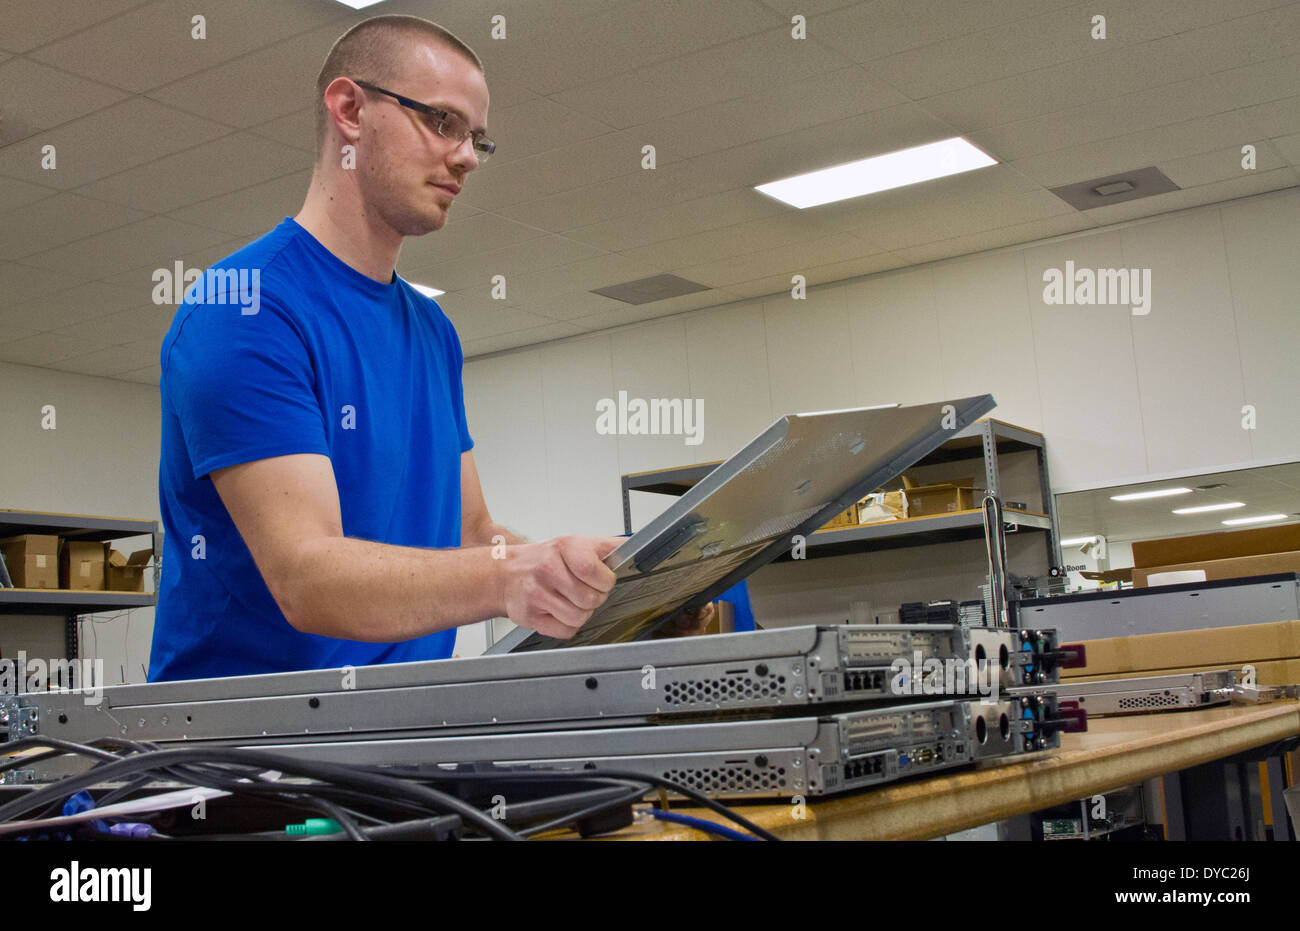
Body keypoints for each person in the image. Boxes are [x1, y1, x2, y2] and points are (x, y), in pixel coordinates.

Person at [149, 15, 708, 682]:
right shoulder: (244, 308)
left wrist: (606, 581)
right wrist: (512, 578)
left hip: (400, 739)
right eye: (442, 122)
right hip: (241, 756)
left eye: (477, 138)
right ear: (351, 110)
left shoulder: (430, 329)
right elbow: (307, 575)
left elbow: (473, 535)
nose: (468, 155)